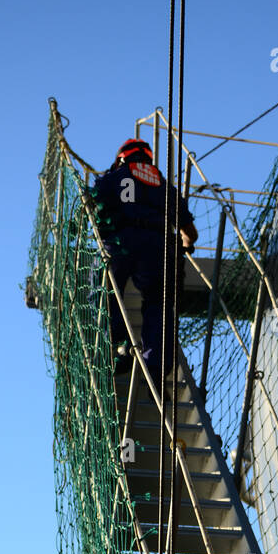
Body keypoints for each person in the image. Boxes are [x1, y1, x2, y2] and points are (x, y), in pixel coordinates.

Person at [91, 137, 198, 384]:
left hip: (120, 243)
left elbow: (93, 201)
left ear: (122, 157)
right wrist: (186, 244)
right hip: (159, 247)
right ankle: (157, 370)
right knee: (159, 305)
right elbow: (189, 230)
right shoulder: (163, 184)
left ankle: (119, 344)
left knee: (104, 290)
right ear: (148, 158)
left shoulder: (115, 177)